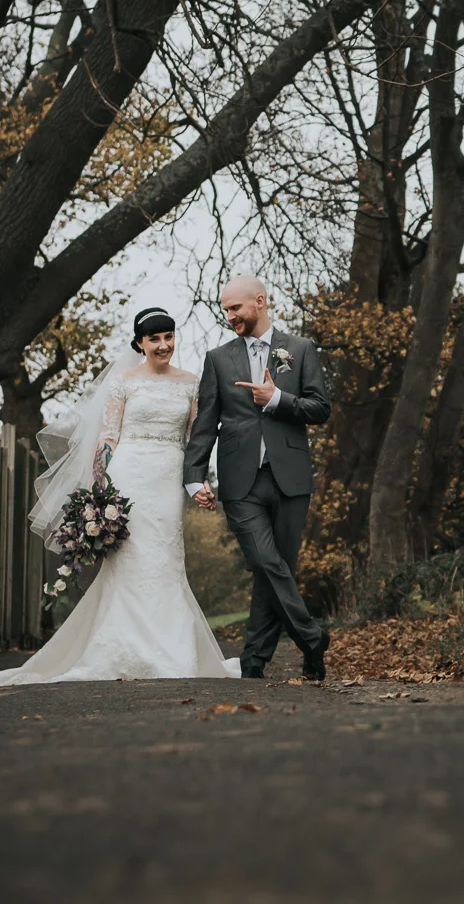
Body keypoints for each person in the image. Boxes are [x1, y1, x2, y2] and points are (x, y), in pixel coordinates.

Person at [0, 307, 239, 686]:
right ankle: (123, 648)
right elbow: (108, 437)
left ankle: (172, 651)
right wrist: (99, 487)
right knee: (130, 559)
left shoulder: (191, 383)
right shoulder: (124, 381)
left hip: (168, 479)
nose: (163, 345)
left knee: (165, 557)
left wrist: (199, 482)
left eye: (169, 337)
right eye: (154, 339)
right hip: (128, 475)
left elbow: (197, 438)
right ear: (140, 343)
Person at [184, 275, 332, 681]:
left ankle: (254, 662)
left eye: (236, 308)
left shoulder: (300, 349)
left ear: (260, 302)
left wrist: (278, 399)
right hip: (240, 481)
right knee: (267, 561)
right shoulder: (218, 359)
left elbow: (320, 408)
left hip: (291, 477)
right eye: (226, 310)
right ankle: (312, 637)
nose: (230, 316)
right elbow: (205, 422)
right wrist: (194, 476)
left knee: (277, 570)